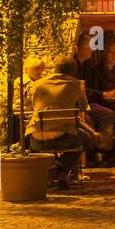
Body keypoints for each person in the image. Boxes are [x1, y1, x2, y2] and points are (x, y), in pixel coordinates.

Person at [27, 54, 99, 188]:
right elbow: (84, 107)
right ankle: (60, 169)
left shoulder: (37, 84)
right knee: (87, 138)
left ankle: (56, 171)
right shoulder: (75, 84)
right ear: (73, 71)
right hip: (64, 136)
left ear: (55, 68)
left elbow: (33, 105)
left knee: (76, 136)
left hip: (36, 137)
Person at [71, 35, 115, 164]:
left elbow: (89, 87)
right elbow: (81, 89)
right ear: (81, 48)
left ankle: (102, 150)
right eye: (91, 47)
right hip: (77, 104)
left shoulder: (86, 64)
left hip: (88, 101)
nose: (93, 50)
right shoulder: (73, 65)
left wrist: (102, 95)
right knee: (92, 118)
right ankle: (96, 151)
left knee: (109, 113)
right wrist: (103, 94)